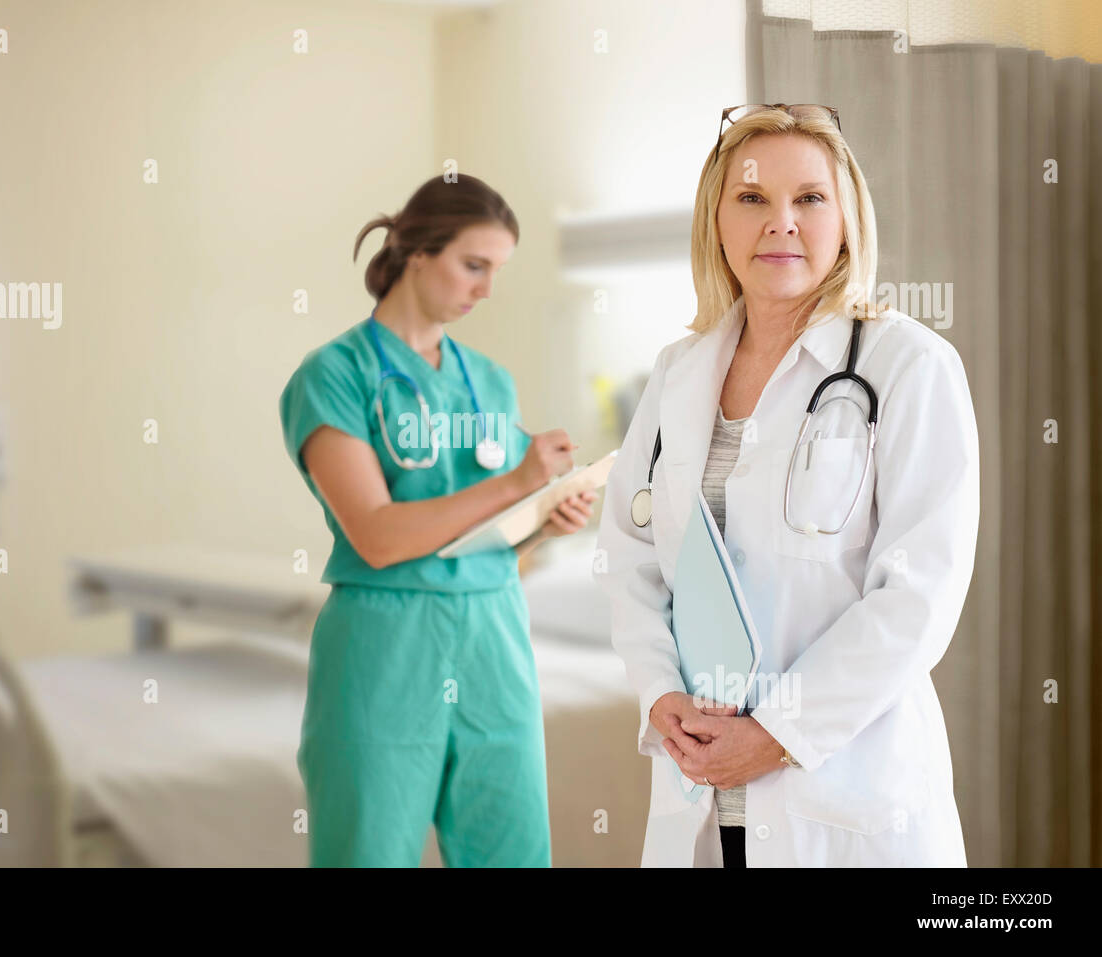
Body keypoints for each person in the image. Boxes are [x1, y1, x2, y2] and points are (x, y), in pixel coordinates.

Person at [596, 105, 979, 867]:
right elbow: (629, 554)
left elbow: (917, 596)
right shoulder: (677, 373)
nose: (781, 222)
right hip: (701, 799)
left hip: (839, 797)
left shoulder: (909, 366)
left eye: (808, 198)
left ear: (845, 219)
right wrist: (658, 693)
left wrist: (774, 737)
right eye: (751, 198)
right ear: (717, 220)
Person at [279, 173, 597, 867]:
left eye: (496, 271)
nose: (485, 290)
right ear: (415, 250)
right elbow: (380, 535)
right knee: (368, 851)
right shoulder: (334, 375)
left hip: (494, 637)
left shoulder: (489, 380)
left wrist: (545, 519)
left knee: (510, 852)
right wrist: (518, 479)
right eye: (473, 265)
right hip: (384, 643)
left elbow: (493, 543)